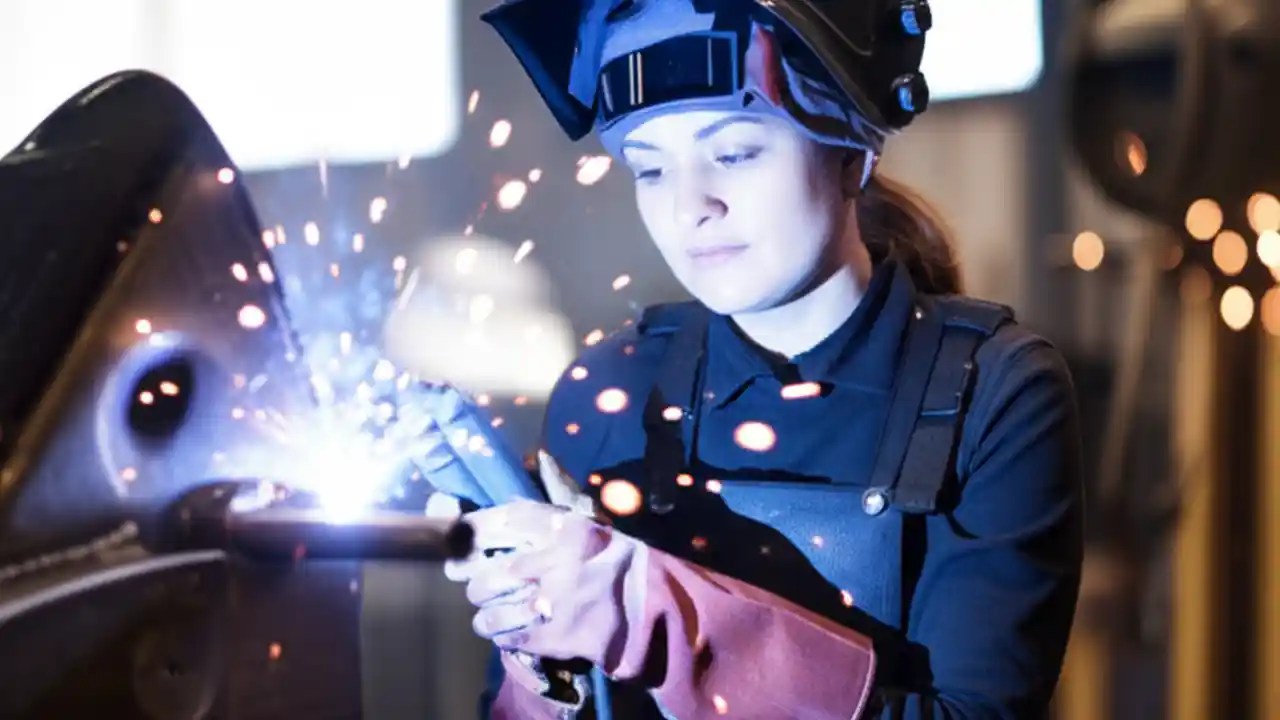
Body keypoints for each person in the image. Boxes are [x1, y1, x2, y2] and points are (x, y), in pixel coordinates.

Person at [434, 1, 1085, 718]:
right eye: (650, 170)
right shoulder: (611, 391)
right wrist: (544, 665)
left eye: (735, 154)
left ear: (851, 154)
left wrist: (648, 615)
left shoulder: (991, 393)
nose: (690, 207)